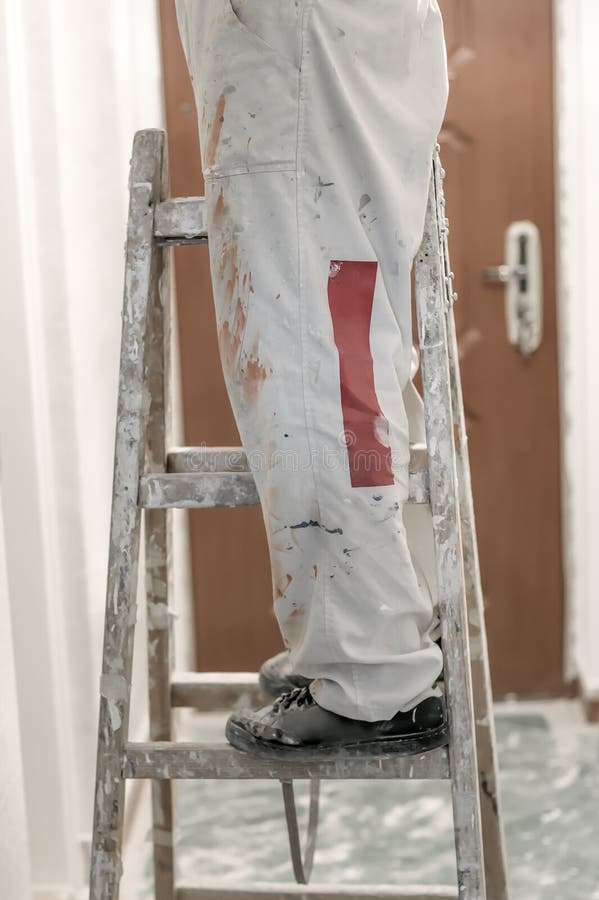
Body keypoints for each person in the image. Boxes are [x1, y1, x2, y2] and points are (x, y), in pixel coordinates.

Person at [176, 0, 449, 758]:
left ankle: (369, 677)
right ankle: (387, 632)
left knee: (307, 365)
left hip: (290, 47)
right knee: (350, 342)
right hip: (337, 45)